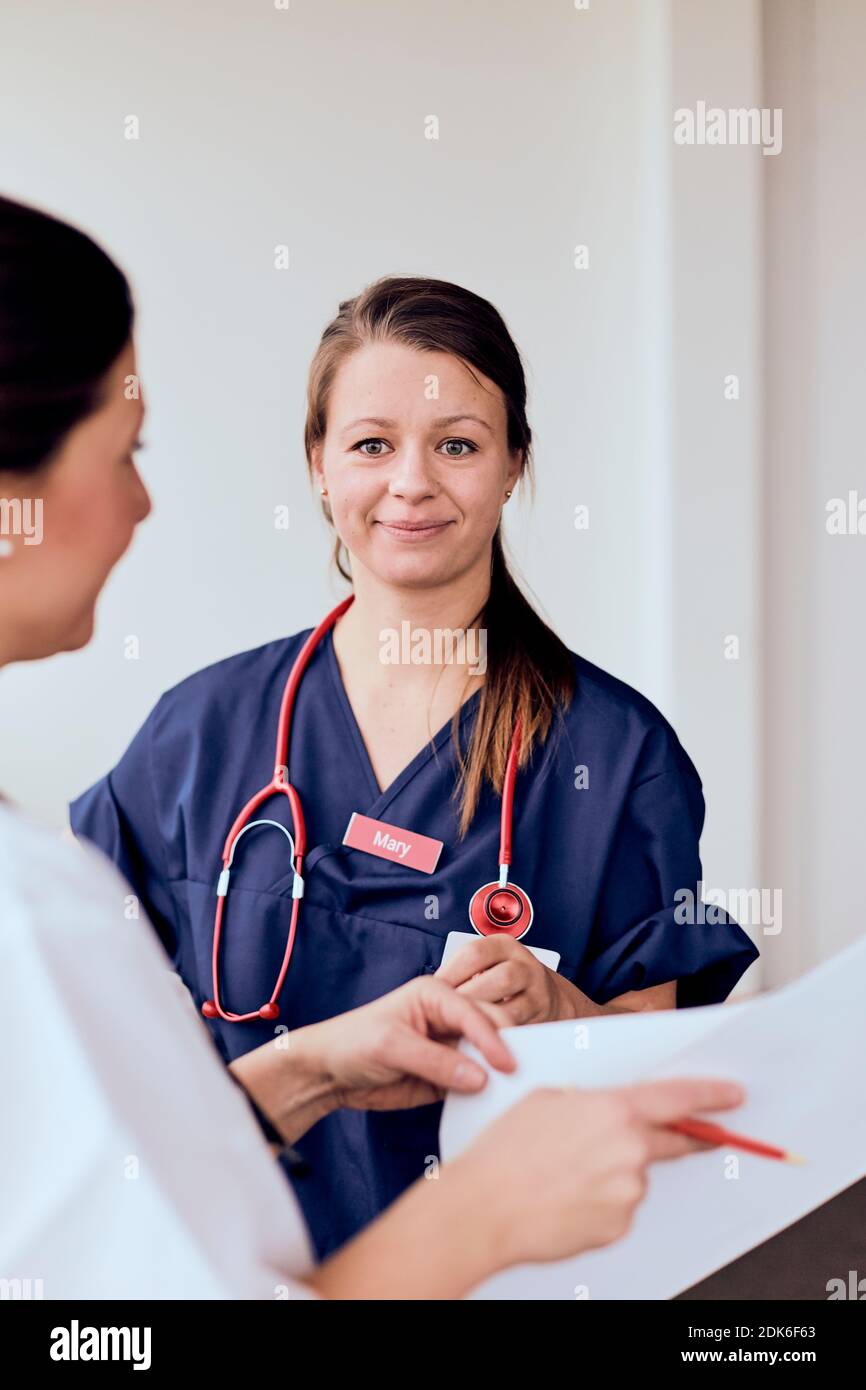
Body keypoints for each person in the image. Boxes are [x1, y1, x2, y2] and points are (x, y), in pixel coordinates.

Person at [0, 192, 748, 1299]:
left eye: (456, 444)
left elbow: (666, 1089)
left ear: (511, 467)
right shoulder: (196, 734)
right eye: (369, 444)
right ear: (316, 464)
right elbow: (96, 1102)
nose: (410, 482)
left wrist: (563, 1020)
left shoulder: (612, 751)